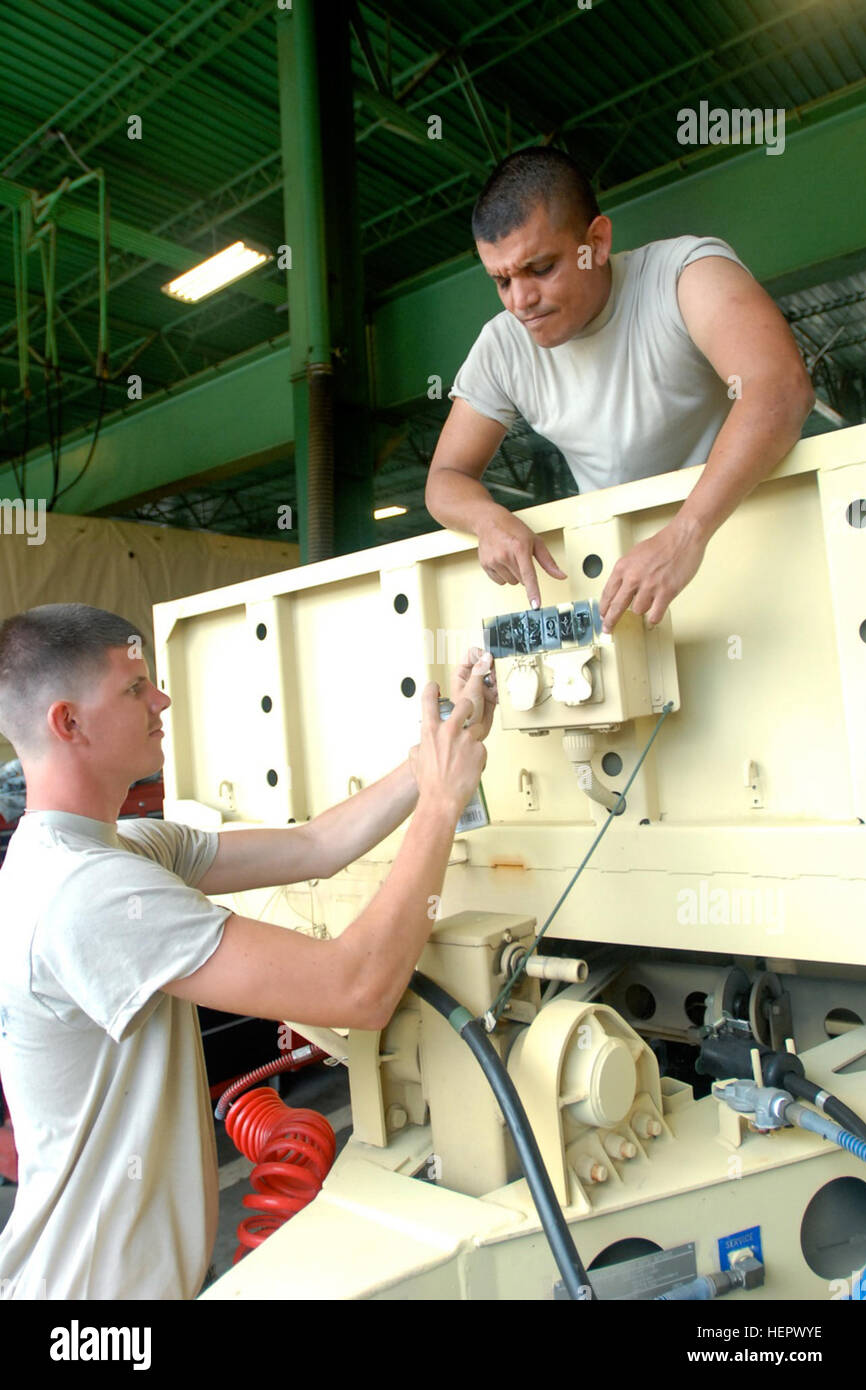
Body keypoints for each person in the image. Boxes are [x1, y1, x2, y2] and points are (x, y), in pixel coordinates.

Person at [0, 603, 495, 1300]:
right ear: (68, 723)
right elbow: (358, 990)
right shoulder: (88, 893)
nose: (162, 699)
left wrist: (439, 752)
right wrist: (442, 806)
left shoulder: (112, 851)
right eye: (135, 689)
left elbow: (316, 845)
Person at [425, 147, 814, 632]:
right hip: (629, 585)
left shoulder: (684, 275)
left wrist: (685, 534)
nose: (521, 301)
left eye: (541, 268)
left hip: (758, 547)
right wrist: (486, 518)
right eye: (501, 281)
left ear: (597, 241)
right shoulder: (503, 345)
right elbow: (445, 477)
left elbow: (780, 388)